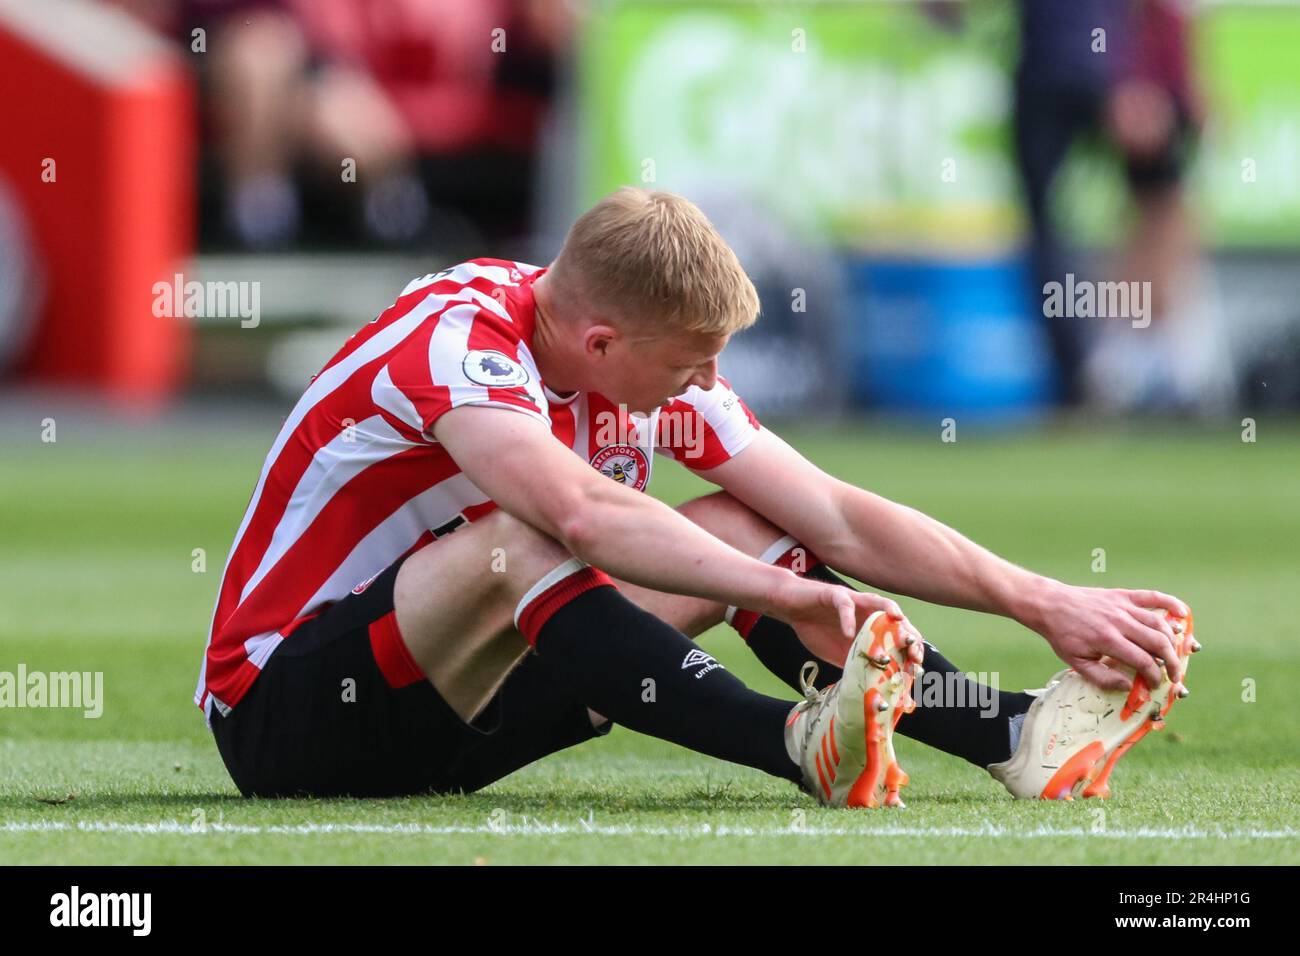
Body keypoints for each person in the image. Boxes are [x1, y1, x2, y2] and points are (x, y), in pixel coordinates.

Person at [196, 188, 1196, 806]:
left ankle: (1009, 735)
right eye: (693, 361)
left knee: (749, 527)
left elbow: (833, 515)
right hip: (289, 713)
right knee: (522, 537)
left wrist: (1045, 599)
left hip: (459, 708)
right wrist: (796, 603)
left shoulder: (633, 369)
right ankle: (796, 742)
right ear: (602, 344)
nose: (704, 383)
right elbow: (582, 518)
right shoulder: (458, 343)